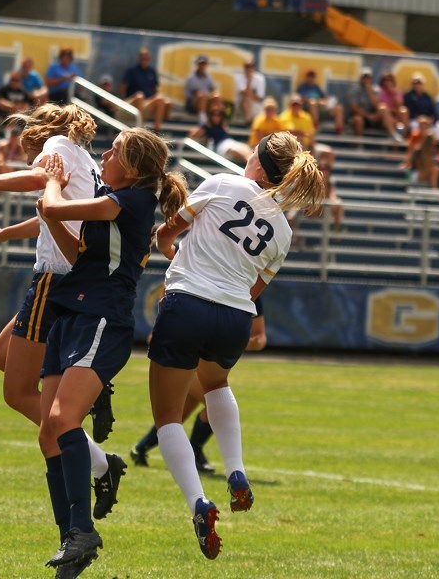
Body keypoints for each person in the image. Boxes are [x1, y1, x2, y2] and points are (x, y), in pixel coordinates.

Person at [0, 103, 128, 530]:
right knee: (1, 354)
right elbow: (51, 210)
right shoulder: (84, 159)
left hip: (54, 279)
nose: (23, 145)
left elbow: (36, 180)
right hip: (72, 279)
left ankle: (100, 464)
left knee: (21, 397)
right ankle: (94, 428)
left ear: (39, 132)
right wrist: (7, 233)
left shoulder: (57, 144)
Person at [150, 131, 324, 560]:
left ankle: (198, 503)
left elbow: (166, 233)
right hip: (234, 317)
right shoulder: (283, 229)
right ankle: (236, 470)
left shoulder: (222, 183)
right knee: (215, 383)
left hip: (188, 300)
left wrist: (172, 253)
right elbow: (253, 289)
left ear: (259, 165)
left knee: (167, 417)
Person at [36, 130, 188, 576]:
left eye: (115, 150)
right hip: (71, 314)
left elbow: (54, 203)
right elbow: (76, 250)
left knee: (64, 420)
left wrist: (52, 182)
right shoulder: (115, 197)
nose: (105, 153)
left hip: (101, 318)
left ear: (134, 168)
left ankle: (83, 530)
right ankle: (71, 540)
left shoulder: (135, 200)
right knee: (49, 434)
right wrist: (51, 215)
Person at [130, 298, 267, 471]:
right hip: (182, 355)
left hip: (208, 363)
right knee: (214, 404)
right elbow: (169, 303)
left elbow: (260, 336)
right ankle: (195, 452)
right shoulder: (195, 276)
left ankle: (141, 448)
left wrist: (248, 341)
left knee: (178, 412)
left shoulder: (249, 287)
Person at [120, 48, 172, 132]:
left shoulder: (152, 72)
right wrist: (123, 101)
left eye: (147, 59)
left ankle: (157, 131)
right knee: (139, 96)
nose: (145, 61)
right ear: (139, 59)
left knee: (162, 100)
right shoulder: (132, 71)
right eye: (143, 58)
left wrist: (159, 97)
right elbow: (122, 88)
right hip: (133, 102)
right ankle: (141, 128)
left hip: (146, 103)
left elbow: (155, 90)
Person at [348, 67, 402, 142]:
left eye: (368, 77)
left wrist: (369, 91)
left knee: (384, 108)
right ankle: (358, 146)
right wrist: (367, 115)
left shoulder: (376, 90)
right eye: (364, 77)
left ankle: (393, 135)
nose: (366, 80)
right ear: (360, 78)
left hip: (374, 117)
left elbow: (376, 105)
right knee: (358, 120)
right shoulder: (354, 90)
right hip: (361, 116)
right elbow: (354, 108)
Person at [296, 68, 343, 134]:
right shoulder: (302, 86)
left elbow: (324, 97)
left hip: (320, 108)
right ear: (306, 77)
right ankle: (315, 125)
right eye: (309, 76)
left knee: (338, 107)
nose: (311, 78)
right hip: (308, 108)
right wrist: (316, 101)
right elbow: (301, 98)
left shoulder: (316, 87)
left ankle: (339, 129)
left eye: (312, 76)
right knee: (312, 103)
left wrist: (324, 102)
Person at [184, 54, 216, 122]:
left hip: (205, 101)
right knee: (201, 96)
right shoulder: (191, 78)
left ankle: (219, 118)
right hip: (192, 104)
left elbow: (213, 89)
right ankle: (202, 119)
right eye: (201, 64)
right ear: (197, 64)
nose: (202, 66)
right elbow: (196, 93)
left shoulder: (208, 77)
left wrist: (214, 95)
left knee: (216, 96)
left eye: (204, 64)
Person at [234, 58, 266, 125]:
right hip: (241, 106)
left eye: (251, 66)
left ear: (254, 67)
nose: (249, 69)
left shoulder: (260, 78)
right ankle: (248, 122)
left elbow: (259, 97)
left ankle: (248, 121)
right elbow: (243, 93)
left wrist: (249, 80)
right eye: (247, 66)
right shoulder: (239, 77)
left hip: (256, 105)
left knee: (248, 99)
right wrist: (249, 81)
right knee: (246, 100)